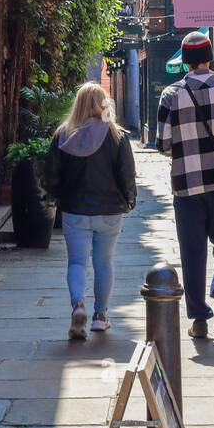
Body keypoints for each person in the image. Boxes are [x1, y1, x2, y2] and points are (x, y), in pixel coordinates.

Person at [157, 31, 214, 339]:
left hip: (187, 188)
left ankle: (199, 320)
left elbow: (162, 143)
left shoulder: (171, 95)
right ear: (210, 57)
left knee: (193, 250)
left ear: (185, 61)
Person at [44, 82, 136, 340]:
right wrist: (129, 199)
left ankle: (78, 306)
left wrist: (57, 196)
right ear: (104, 104)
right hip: (109, 211)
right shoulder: (117, 135)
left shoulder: (64, 135)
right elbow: (127, 173)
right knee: (104, 262)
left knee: (76, 262)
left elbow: (51, 175)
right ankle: (100, 316)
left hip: (74, 210)